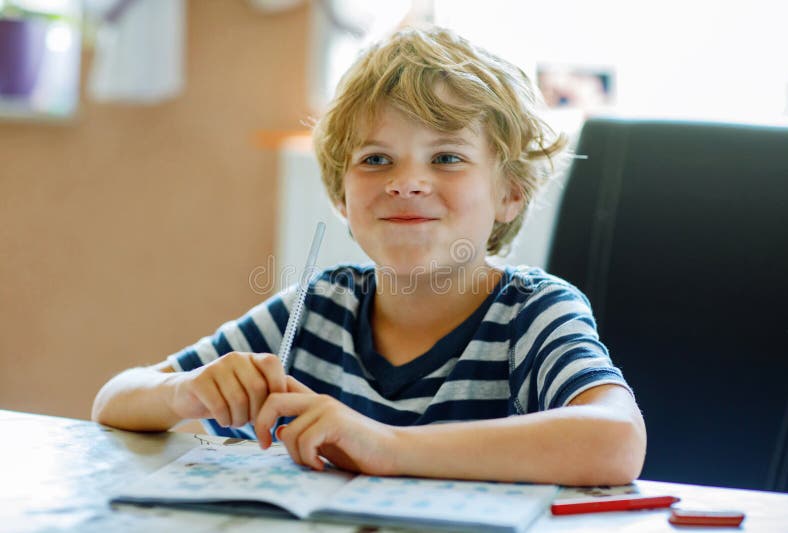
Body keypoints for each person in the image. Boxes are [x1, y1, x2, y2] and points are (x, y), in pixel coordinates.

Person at [92, 26, 646, 486]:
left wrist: (386, 445)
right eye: (376, 160)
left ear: (510, 193)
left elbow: (617, 442)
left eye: (447, 157)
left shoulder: (532, 312)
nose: (407, 183)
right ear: (340, 194)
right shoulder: (318, 308)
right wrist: (185, 392)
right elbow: (113, 401)